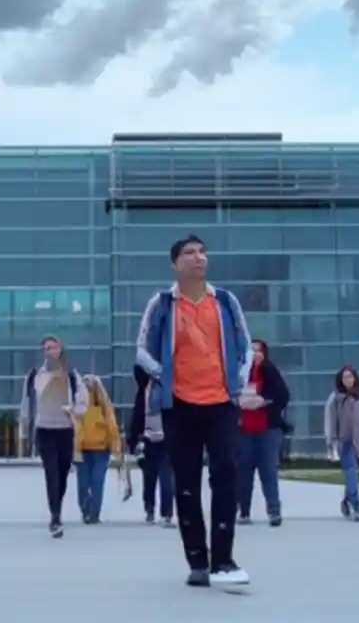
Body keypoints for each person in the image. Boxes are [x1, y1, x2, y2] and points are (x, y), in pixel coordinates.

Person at [136, 234, 253, 588]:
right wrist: (164, 377)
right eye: (189, 253)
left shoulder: (225, 302)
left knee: (226, 475)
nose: (198, 258)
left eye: (203, 251)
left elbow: (246, 347)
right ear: (175, 263)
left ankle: (225, 560)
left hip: (220, 403)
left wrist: (236, 384)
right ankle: (197, 561)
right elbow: (142, 350)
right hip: (180, 405)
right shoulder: (162, 304)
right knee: (185, 483)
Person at [18, 335, 88, 538]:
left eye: (53, 347)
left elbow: (82, 402)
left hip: (65, 429)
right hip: (44, 429)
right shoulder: (34, 376)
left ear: (60, 349)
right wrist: (25, 429)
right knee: (51, 471)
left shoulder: (72, 375)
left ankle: (57, 506)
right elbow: (26, 403)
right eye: (47, 348)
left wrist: (73, 409)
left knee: (63, 472)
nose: (50, 352)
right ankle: (55, 516)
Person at [237, 339, 291, 527]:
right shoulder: (239, 373)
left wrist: (264, 402)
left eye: (258, 351)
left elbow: (283, 396)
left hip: (267, 428)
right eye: (251, 351)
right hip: (243, 428)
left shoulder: (270, 372)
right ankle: (243, 511)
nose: (255, 355)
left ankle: (274, 511)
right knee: (243, 471)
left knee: (268, 470)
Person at [324, 365, 359, 522]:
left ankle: (346, 501)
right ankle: (357, 504)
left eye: (350, 376)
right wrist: (331, 441)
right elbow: (330, 421)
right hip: (344, 441)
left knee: (351, 473)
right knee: (351, 472)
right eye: (344, 377)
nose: (348, 380)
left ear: (355, 378)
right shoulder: (336, 398)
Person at [128, 364, 175, 527]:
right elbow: (137, 416)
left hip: (167, 439)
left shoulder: (171, 391)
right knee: (149, 478)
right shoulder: (143, 391)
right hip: (147, 439)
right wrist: (133, 441)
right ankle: (149, 508)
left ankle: (167, 513)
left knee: (167, 478)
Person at [73, 374, 123, 524]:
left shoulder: (104, 406)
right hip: (83, 450)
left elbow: (112, 427)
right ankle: (86, 510)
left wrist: (116, 449)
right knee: (83, 483)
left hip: (101, 450)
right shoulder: (78, 405)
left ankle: (93, 513)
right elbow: (75, 427)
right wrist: (74, 449)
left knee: (97, 481)